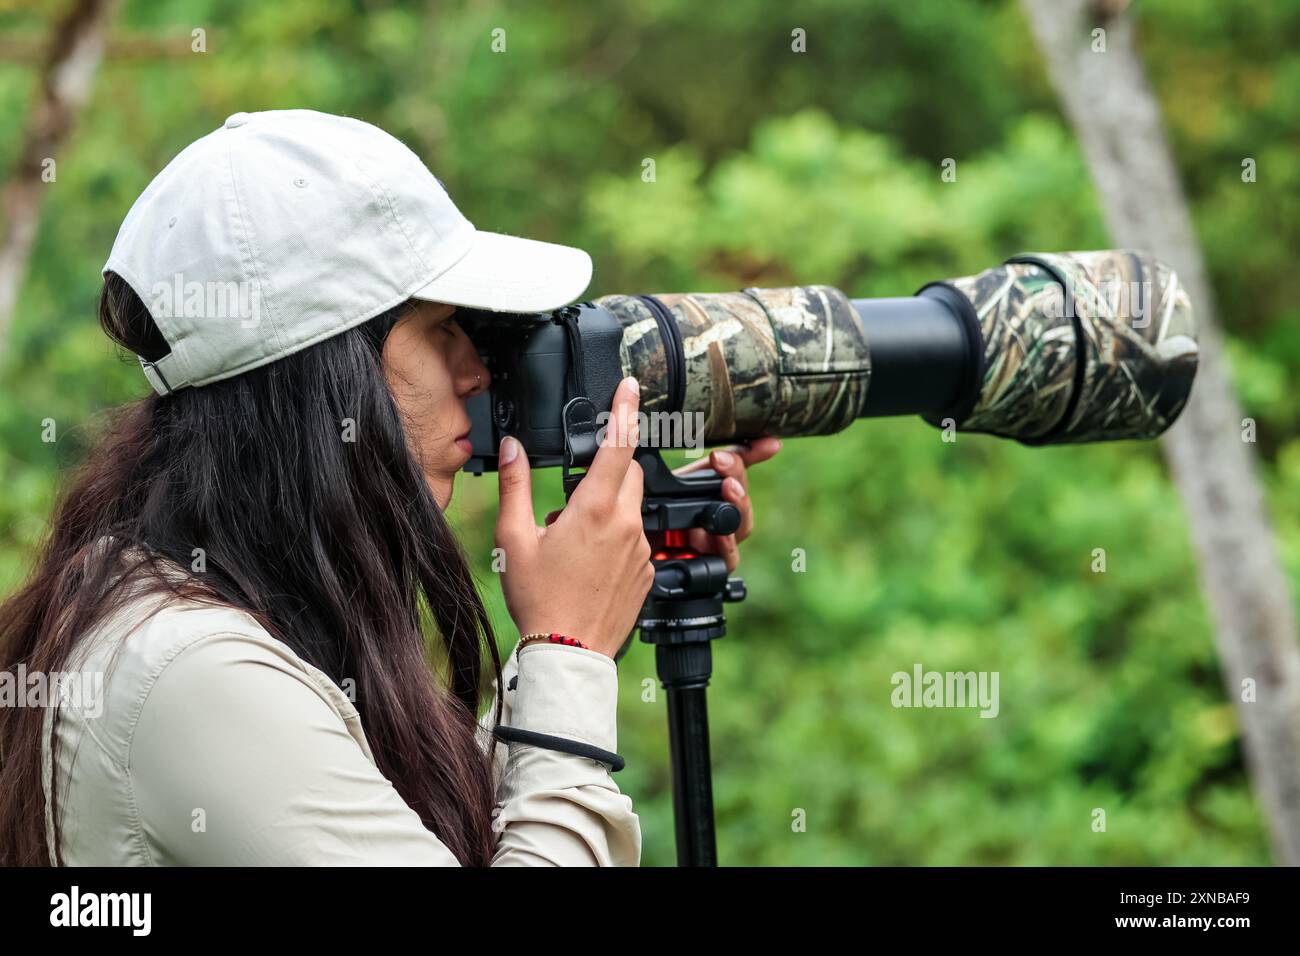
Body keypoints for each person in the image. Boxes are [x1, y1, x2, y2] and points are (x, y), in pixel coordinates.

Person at [0, 109, 779, 866]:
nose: (475, 371)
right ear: (331, 377)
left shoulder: (199, 611)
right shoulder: (192, 676)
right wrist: (566, 649)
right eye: (443, 329)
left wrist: (592, 609)